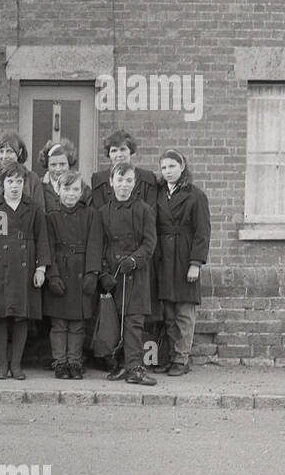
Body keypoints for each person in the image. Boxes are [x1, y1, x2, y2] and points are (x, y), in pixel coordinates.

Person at [0, 162, 50, 380]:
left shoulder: (34, 207)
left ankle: (16, 365)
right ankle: (1, 364)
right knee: (0, 317)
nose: (15, 186)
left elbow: (42, 239)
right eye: (10, 181)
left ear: (25, 183)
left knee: (21, 316)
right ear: (2, 184)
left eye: (19, 181)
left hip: (25, 269)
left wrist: (41, 268)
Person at [86, 162, 157, 386]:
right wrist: (103, 274)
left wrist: (135, 260)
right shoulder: (103, 212)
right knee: (113, 322)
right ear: (111, 182)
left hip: (136, 275)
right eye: (120, 180)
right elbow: (98, 245)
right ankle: (118, 365)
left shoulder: (144, 210)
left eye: (128, 180)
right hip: (114, 277)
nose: (124, 185)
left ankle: (135, 367)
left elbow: (150, 242)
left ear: (134, 183)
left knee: (134, 322)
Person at [153, 148, 211, 377]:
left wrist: (195, 263)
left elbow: (202, 232)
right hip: (163, 259)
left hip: (185, 257)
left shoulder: (196, 195)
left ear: (182, 167)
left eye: (172, 166)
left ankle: (181, 358)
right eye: (164, 167)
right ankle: (169, 357)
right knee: (167, 313)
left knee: (184, 314)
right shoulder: (158, 193)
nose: (168, 171)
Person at [42, 171, 97, 378]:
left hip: (81, 271)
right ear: (58, 190)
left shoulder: (90, 214)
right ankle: (60, 362)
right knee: (59, 323)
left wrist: (92, 273)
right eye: (66, 189)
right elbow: (48, 248)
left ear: (82, 192)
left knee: (77, 323)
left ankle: (75, 361)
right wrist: (52, 275)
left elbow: (95, 244)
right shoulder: (51, 217)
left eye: (75, 189)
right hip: (61, 271)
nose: (71, 194)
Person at [90, 130, 159, 209]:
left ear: (131, 151)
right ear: (109, 154)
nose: (119, 155)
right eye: (114, 151)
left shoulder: (147, 178)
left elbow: (151, 213)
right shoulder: (99, 179)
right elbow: (98, 213)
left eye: (123, 149)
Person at [0, 132, 44, 211]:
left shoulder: (32, 179)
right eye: (1, 151)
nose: (5, 156)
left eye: (9, 151)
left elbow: (40, 212)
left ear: (20, 152)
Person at [40, 139, 92, 209]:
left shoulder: (82, 187)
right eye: (53, 165)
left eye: (62, 164)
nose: (58, 169)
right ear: (47, 165)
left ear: (69, 163)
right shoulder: (40, 187)